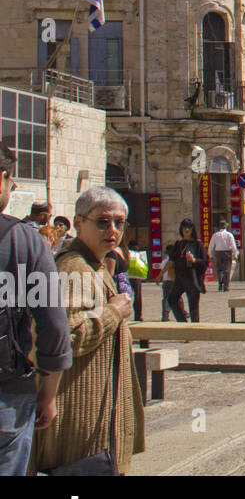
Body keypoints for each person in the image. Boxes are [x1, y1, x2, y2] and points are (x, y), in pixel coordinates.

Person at [33, 185, 144, 475]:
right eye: (103, 221)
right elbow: (66, 337)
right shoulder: (75, 268)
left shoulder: (94, 264)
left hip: (95, 416)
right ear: (79, 223)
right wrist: (114, 312)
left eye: (120, 223)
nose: (113, 229)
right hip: (80, 421)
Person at [0, 145, 72, 477]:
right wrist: (48, 392)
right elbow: (54, 325)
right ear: (2, 179)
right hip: (7, 393)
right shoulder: (25, 241)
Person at [166, 219, 208, 321]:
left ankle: (194, 332)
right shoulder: (178, 244)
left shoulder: (197, 244)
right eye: (184, 227)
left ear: (192, 229)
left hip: (192, 278)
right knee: (171, 299)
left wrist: (194, 260)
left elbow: (205, 261)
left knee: (193, 307)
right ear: (181, 228)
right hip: (180, 278)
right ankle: (182, 322)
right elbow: (171, 260)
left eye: (189, 227)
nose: (187, 229)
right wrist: (160, 275)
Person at [209, 217, 238, 291]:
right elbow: (233, 245)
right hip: (227, 253)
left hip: (218, 253)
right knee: (227, 270)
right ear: (226, 226)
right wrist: (235, 254)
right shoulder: (229, 235)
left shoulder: (215, 235)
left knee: (219, 269)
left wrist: (211, 255)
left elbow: (211, 245)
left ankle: (220, 283)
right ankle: (226, 286)